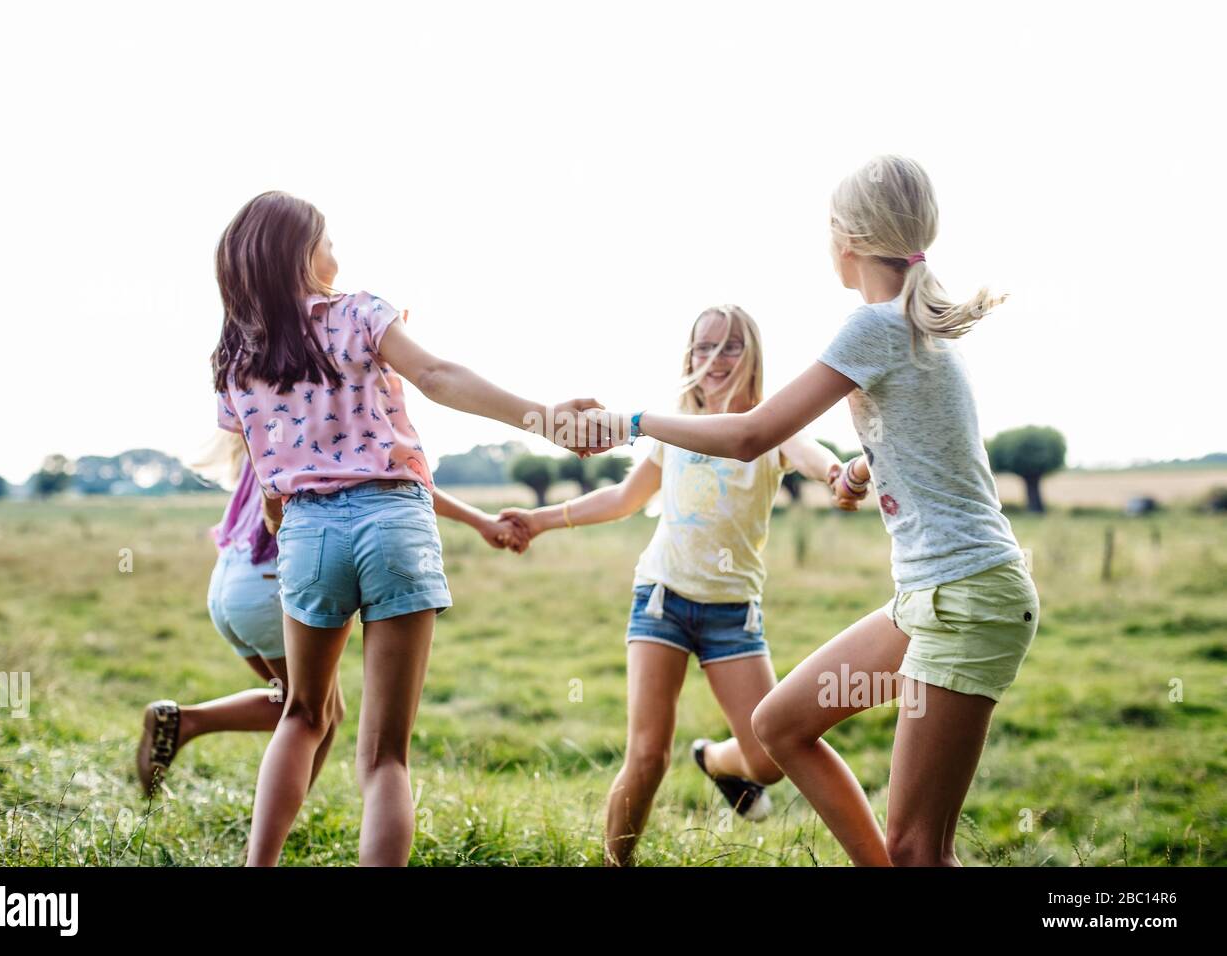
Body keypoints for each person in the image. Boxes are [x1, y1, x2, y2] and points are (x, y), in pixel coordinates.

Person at [590, 156, 1039, 866]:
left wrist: (637, 418)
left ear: (846, 240)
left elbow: (749, 435)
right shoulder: (913, 328)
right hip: (932, 596)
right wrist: (863, 466)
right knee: (780, 723)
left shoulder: (874, 326)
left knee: (922, 849)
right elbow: (930, 441)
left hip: (967, 594)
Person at [212, 190, 604, 866]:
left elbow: (264, 474)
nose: (337, 252)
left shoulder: (234, 361)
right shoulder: (361, 310)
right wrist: (543, 418)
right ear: (301, 252)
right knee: (384, 757)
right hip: (393, 520)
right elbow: (436, 375)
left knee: (302, 715)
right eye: (327, 238)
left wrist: (295, 525)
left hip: (304, 536)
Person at [500, 305, 854, 866]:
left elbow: (813, 456)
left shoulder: (771, 427)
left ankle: (715, 760)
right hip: (661, 600)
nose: (714, 359)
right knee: (647, 755)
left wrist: (836, 474)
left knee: (766, 761)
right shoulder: (674, 429)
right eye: (703, 347)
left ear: (753, 355)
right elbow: (622, 499)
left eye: (731, 347)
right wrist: (541, 521)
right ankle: (616, 863)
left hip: (733, 615)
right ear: (688, 356)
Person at [135, 433, 530, 798]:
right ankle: (262, 842)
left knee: (301, 706)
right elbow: (401, 478)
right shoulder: (331, 419)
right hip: (270, 579)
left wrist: (480, 521)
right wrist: (480, 521)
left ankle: (185, 722)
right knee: (311, 716)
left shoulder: (270, 420)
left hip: (230, 581)